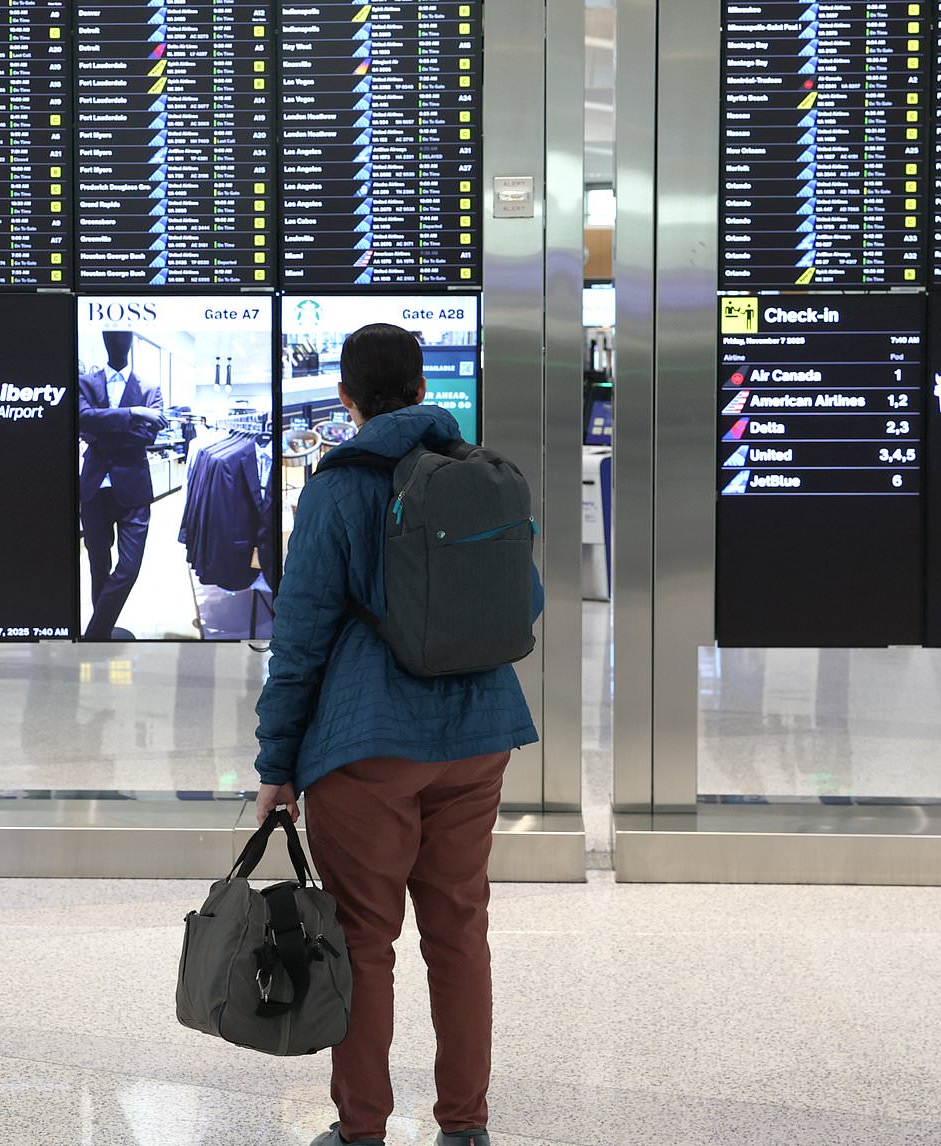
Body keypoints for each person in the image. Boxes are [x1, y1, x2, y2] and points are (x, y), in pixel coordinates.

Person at [253, 323, 540, 1146]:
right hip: (479, 736)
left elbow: (301, 636)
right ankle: (465, 1127)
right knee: (458, 931)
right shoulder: (480, 474)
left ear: (345, 399)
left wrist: (278, 763)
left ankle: (362, 1131)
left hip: (368, 749)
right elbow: (529, 599)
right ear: (422, 390)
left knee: (363, 941)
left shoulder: (338, 488)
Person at [79, 330, 167, 640]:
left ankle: (93, 634)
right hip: (93, 489)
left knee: (129, 567)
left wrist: (100, 428)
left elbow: (148, 436)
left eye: (122, 337)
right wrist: (134, 413)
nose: (117, 342)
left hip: (133, 489)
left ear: (130, 342)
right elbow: (80, 420)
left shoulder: (150, 388)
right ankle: (102, 635)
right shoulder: (85, 383)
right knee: (97, 564)